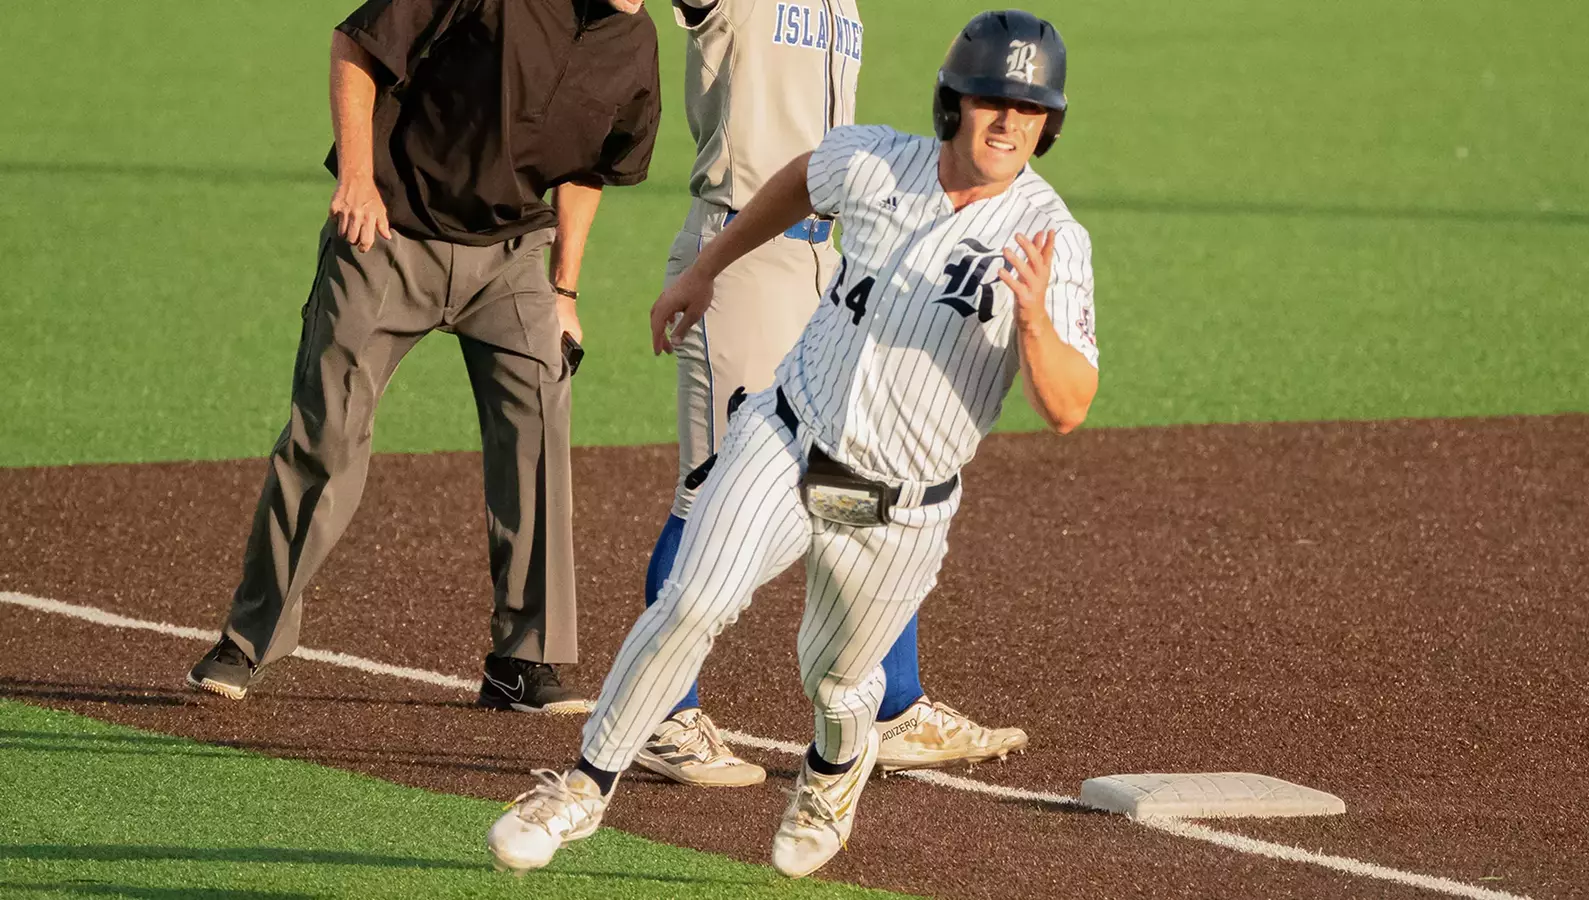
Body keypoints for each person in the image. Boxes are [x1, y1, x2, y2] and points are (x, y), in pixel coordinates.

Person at [487, 8, 1098, 878]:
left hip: (898, 507)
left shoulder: (1051, 240)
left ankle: (831, 772)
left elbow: (1070, 404)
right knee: (695, 600)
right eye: (991, 100)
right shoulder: (879, 157)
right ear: (953, 103)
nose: (1009, 122)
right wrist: (708, 267)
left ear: (1050, 123)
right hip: (786, 437)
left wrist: (1035, 322)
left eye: (1029, 110)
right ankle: (581, 786)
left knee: (842, 683)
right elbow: (803, 179)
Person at [184, 0, 661, 713]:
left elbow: (591, 167)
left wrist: (565, 286)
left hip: (512, 256)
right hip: (390, 234)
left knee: (538, 430)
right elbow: (356, 45)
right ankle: (248, 641)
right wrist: (356, 176)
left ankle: (522, 660)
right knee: (328, 439)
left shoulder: (636, 44)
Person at [631, 0, 1025, 789]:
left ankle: (895, 707)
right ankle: (664, 715)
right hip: (740, 251)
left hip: (830, 258)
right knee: (708, 491)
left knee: (859, 478)